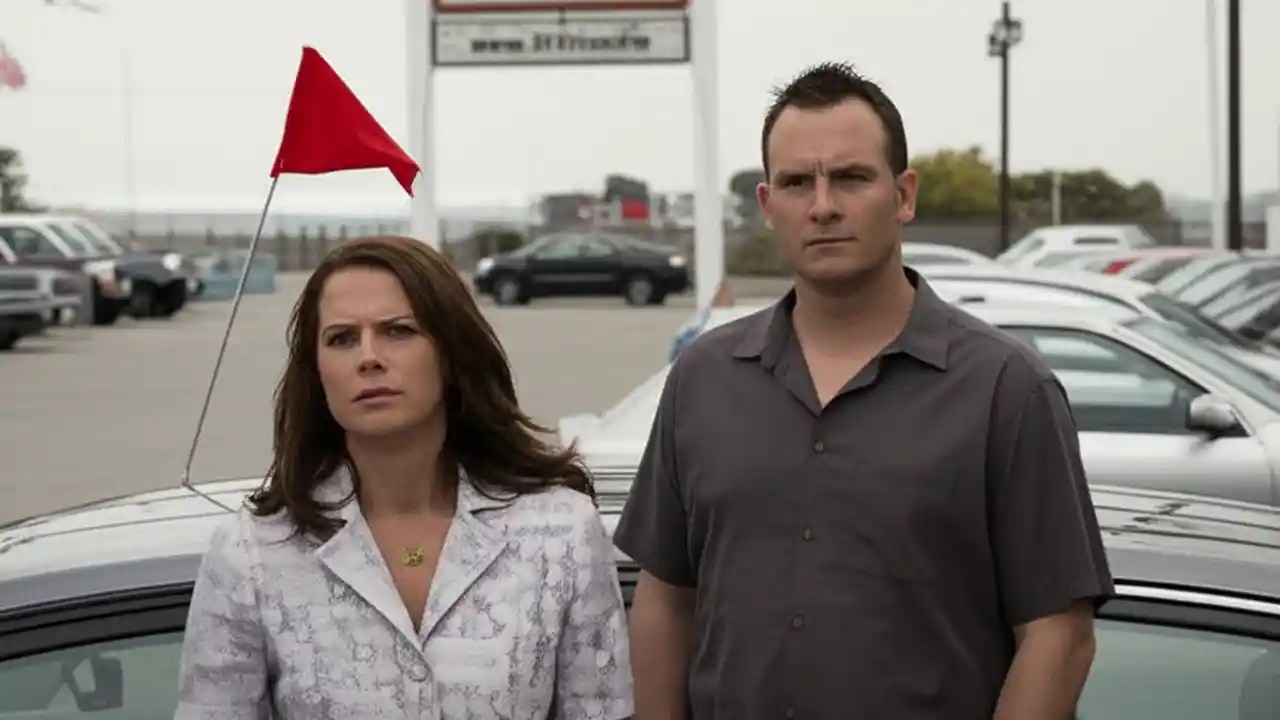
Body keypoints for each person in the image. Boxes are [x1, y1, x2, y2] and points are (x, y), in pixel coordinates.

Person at [614, 62, 1114, 719]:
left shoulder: (1006, 390)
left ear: (903, 195)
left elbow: (1059, 633)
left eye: (851, 177)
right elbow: (666, 597)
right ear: (768, 206)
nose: (823, 205)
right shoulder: (703, 380)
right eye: (797, 182)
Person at [175, 235, 633, 719]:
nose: (368, 357)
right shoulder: (252, 551)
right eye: (342, 338)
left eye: (397, 330)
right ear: (317, 373)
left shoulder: (561, 532)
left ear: (452, 355)